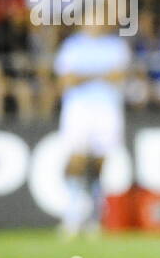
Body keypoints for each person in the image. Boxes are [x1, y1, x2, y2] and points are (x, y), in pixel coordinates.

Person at [53, 13, 131, 237]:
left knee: (100, 162)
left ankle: (94, 216)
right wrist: (101, 75)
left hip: (107, 108)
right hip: (78, 109)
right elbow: (67, 80)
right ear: (82, 21)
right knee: (75, 160)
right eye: (91, 18)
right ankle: (73, 214)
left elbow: (118, 76)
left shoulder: (116, 46)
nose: (95, 23)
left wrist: (83, 76)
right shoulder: (72, 46)